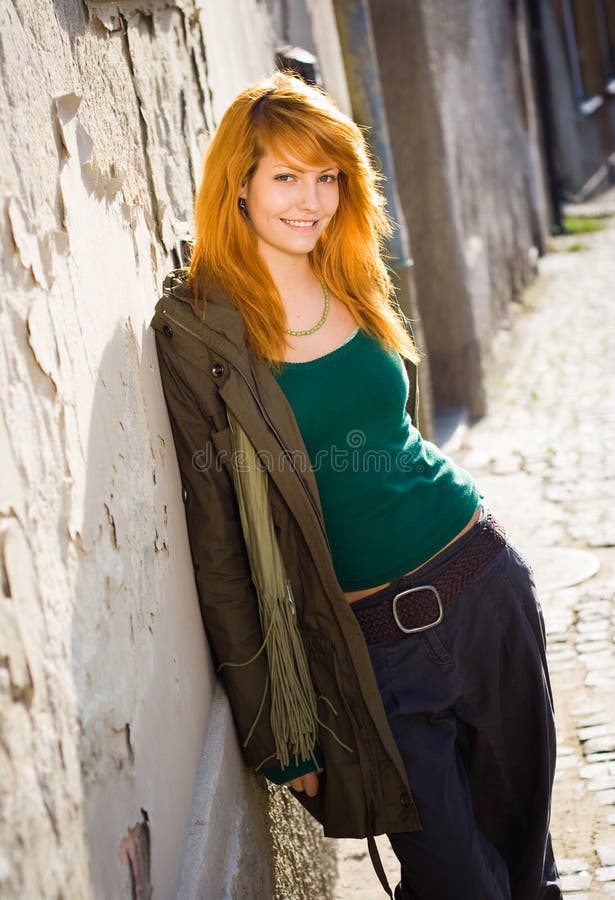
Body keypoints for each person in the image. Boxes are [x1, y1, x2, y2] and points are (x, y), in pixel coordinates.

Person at [150, 71, 561, 899]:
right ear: (238, 185)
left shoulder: (349, 269)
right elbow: (221, 544)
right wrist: (281, 729)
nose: (311, 201)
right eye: (285, 178)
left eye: (326, 176)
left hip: (482, 585)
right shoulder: (199, 329)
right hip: (368, 649)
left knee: (527, 869)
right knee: (455, 884)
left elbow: (390, 431)